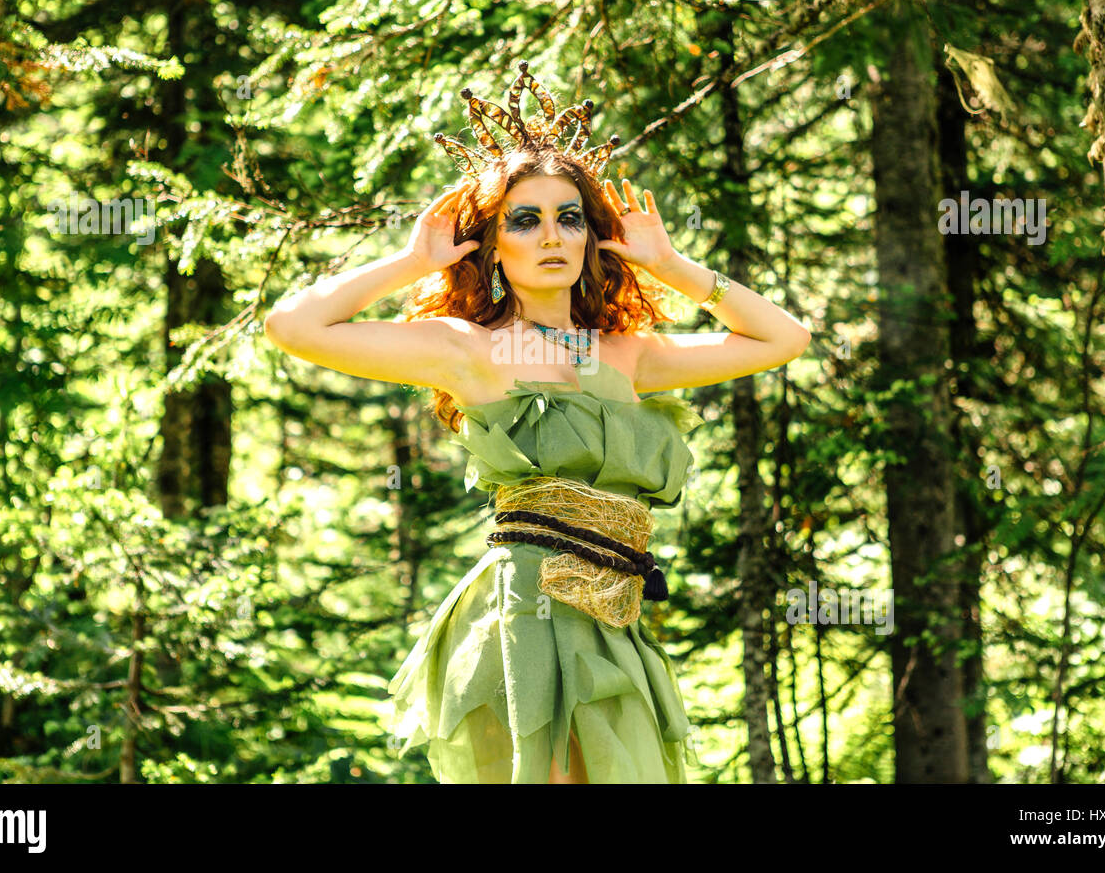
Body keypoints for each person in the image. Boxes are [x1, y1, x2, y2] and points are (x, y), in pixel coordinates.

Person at [263, 62, 810, 783]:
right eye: (526, 219)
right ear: (493, 246)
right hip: (524, 617)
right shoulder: (469, 350)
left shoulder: (629, 355)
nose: (552, 234)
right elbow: (293, 325)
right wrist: (408, 262)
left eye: (569, 217)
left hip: (614, 618)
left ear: (591, 238)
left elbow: (783, 339)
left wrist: (672, 265)